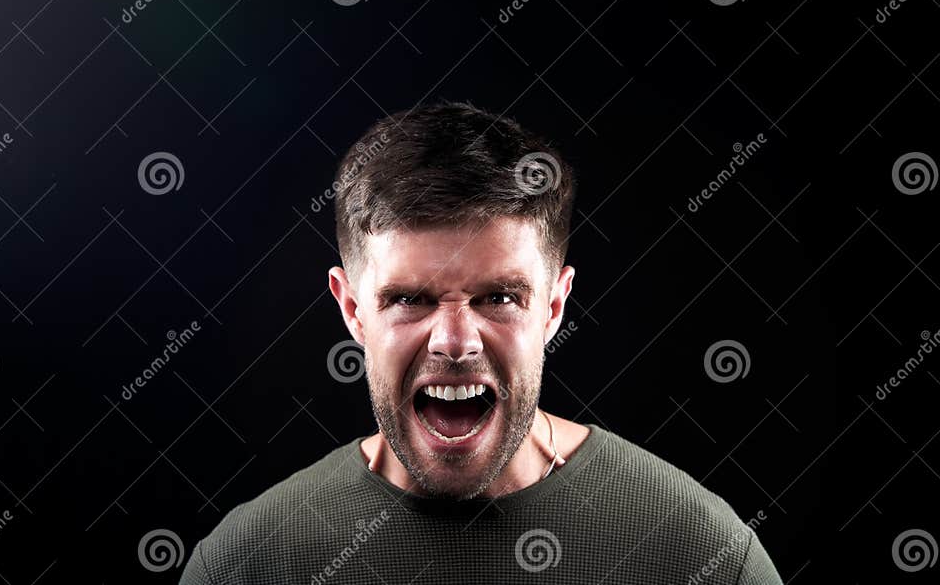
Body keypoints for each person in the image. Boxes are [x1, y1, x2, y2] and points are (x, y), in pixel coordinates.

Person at [179, 101, 783, 584]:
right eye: (410, 299)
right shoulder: (246, 564)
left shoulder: (699, 555)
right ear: (352, 309)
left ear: (553, 305)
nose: (456, 341)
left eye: (498, 298)